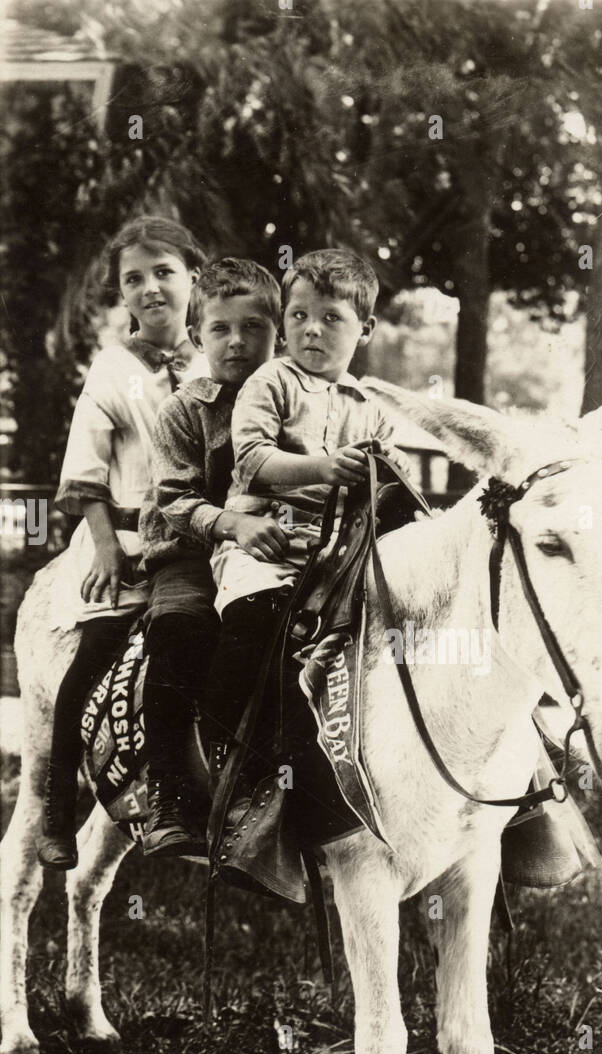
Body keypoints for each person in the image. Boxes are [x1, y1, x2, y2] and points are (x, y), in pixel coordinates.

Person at [39, 216, 207, 869]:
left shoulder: (212, 358)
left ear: (194, 276)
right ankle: (58, 804)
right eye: (133, 280)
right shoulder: (112, 369)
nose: (150, 289)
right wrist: (106, 547)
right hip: (126, 538)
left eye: (164, 272)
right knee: (90, 661)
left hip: (193, 545)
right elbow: (84, 470)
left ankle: (211, 789)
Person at [204, 248, 407, 786]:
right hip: (265, 544)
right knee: (254, 621)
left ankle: (357, 761)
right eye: (299, 316)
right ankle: (222, 744)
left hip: (339, 556)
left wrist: (391, 477)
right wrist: (324, 467)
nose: (311, 331)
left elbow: (389, 489)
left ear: (365, 329)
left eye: (331, 318)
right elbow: (251, 459)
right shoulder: (272, 381)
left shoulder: (374, 408)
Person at [138, 257, 281, 857]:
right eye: (220, 328)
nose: (238, 342)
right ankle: (170, 790)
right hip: (192, 550)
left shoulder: (298, 401)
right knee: (179, 633)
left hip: (275, 551)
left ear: (281, 333)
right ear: (196, 337)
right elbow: (174, 500)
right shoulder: (185, 411)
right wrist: (233, 525)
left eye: (254, 328)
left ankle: (278, 779)